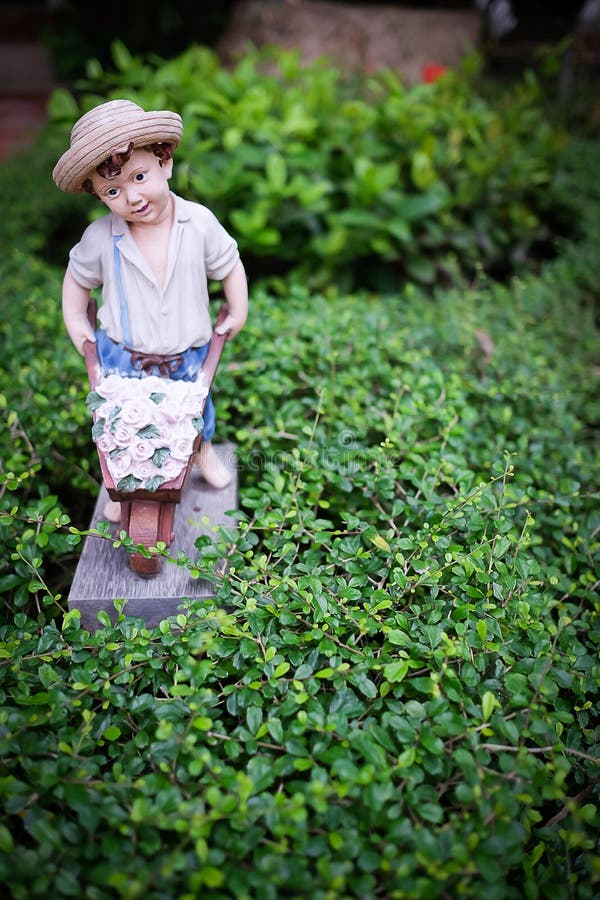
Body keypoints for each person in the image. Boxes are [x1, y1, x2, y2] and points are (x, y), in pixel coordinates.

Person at [52, 99, 248, 519]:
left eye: (140, 176)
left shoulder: (197, 223)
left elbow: (229, 263)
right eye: (113, 191)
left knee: (197, 412)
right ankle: (126, 490)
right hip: (125, 356)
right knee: (126, 430)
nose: (132, 196)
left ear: (165, 163)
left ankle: (202, 454)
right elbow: (77, 279)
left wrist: (238, 307)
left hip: (186, 351)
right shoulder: (101, 237)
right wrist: (75, 322)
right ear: (98, 194)